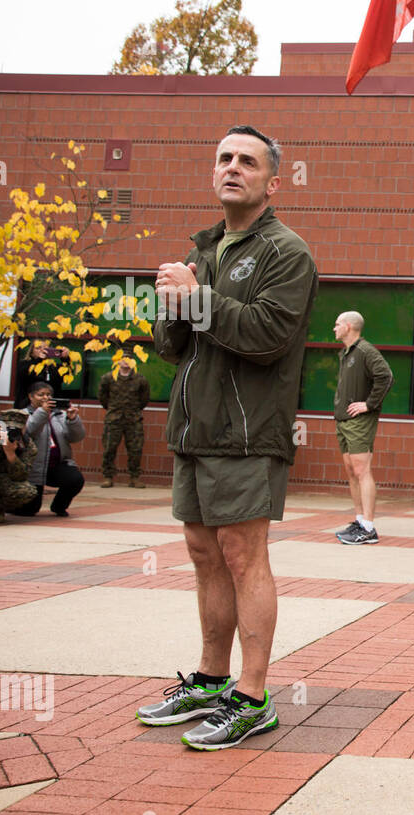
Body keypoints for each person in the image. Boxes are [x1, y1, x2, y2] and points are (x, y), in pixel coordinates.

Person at [139, 124, 318, 751]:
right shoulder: (206, 248)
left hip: (247, 434)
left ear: (273, 181)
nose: (232, 168)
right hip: (194, 429)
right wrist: (172, 304)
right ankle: (212, 680)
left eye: (247, 160)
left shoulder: (286, 252)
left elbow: (269, 336)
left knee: (245, 557)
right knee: (203, 555)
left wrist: (200, 298)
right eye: (223, 158)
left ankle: (253, 696)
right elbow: (173, 350)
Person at [331, 310, 394, 545]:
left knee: (362, 470)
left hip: (359, 422)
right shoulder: (347, 353)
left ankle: (368, 527)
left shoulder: (366, 350)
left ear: (349, 326)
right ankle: (359, 521)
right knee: (351, 470)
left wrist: (369, 404)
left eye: (337, 324)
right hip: (344, 420)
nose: (334, 328)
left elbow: (386, 376)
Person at [14, 382, 87, 517]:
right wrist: (42, 411)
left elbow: (76, 437)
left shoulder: (59, 415)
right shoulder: (22, 414)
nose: (45, 398)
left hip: (57, 465)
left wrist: (73, 420)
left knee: (75, 479)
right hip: (33, 468)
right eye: (40, 395)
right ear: (31, 397)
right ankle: (2, 506)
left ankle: (59, 506)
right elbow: (29, 431)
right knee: (29, 510)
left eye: (48, 395)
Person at [97, 355, 151, 488]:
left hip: (133, 419)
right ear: (117, 360)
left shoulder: (140, 380)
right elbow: (102, 397)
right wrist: (112, 409)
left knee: (135, 449)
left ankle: (134, 477)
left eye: (129, 358)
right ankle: (107, 476)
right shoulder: (108, 378)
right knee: (109, 448)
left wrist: (134, 410)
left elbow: (144, 399)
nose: (126, 362)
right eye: (123, 358)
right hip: (113, 418)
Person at [13, 340, 64, 409]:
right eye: (38, 348)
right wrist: (38, 360)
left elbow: (60, 380)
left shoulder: (53, 366)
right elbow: (24, 376)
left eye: (45, 348)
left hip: (48, 406)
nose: (42, 351)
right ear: (31, 351)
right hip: (27, 405)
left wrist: (65, 359)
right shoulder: (25, 363)